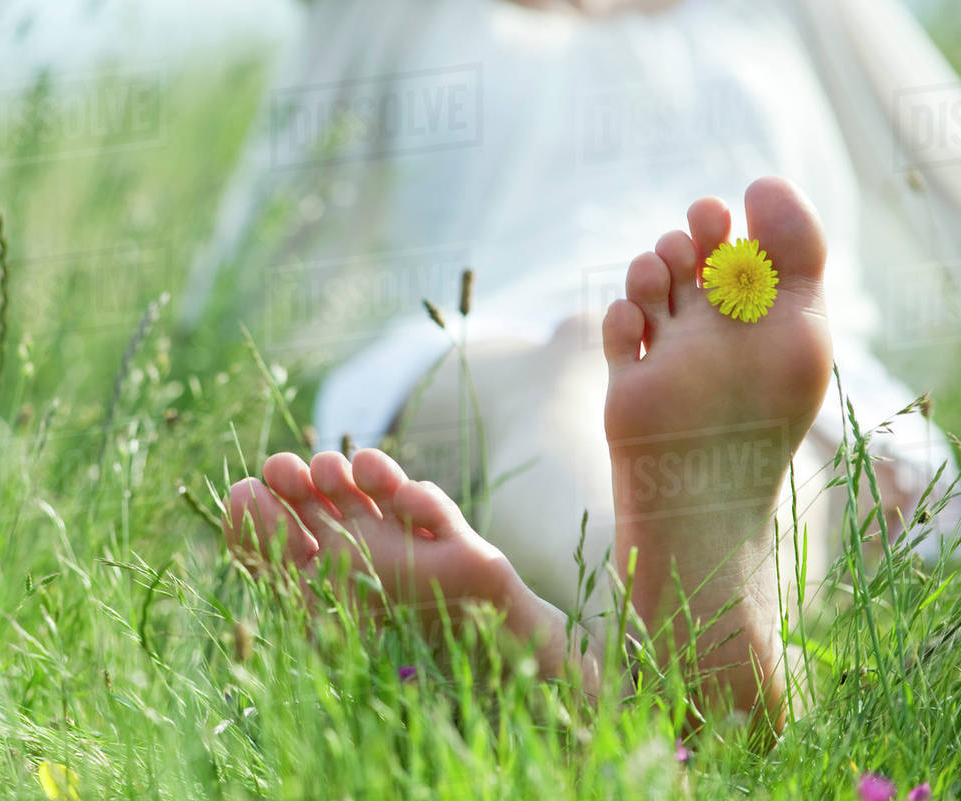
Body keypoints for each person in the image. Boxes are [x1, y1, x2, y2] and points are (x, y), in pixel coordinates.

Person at [205, 0, 961, 730]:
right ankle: (712, 635)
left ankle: (589, 655)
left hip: (763, 342)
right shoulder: (401, 11)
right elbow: (265, 237)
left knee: (776, 446)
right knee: (566, 369)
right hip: (484, 331)